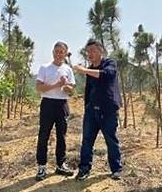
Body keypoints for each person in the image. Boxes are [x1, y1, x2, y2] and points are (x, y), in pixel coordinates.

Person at [72, 39, 123, 180]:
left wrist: (84, 70)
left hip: (108, 111)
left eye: (93, 50)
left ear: (101, 50)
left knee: (111, 140)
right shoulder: (90, 69)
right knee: (87, 141)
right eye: (88, 51)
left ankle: (116, 169)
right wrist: (87, 106)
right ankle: (84, 169)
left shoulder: (110, 63)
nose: (90, 54)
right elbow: (88, 90)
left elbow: (106, 75)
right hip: (91, 112)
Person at [34, 41, 75, 181]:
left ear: (65, 53)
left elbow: (71, 91)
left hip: (62, 104)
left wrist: (66, 86)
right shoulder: (45, 68)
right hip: (47, 104)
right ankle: (41, 166)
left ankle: (60, 164)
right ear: (53, 52)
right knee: (44, 134)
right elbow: (39, 87)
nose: (59, 54)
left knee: (61, 136)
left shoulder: (68, 69)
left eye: (61, 52)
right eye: (57, 51)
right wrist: (57, 84)